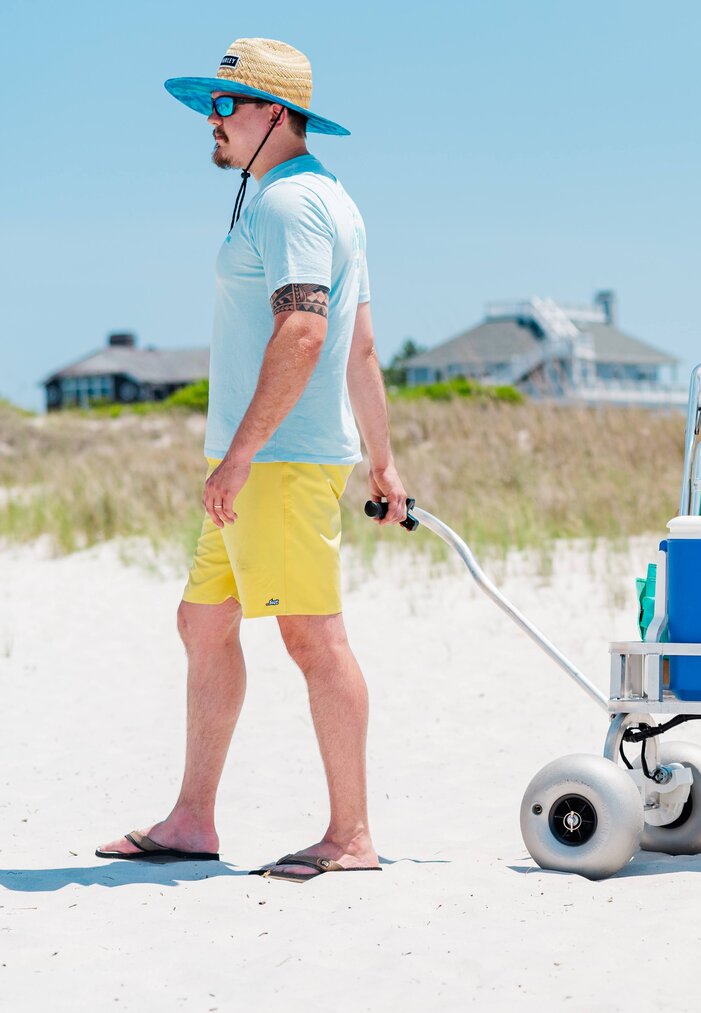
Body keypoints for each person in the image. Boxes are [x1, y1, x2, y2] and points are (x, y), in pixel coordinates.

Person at [96, 38, 410, 883]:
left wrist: (239, 456)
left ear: (277, 112)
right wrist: (384, 462)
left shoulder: (290, 206)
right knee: (203, 621)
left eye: (227, 104)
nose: (213, 119)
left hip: (274, 464)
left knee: (312, 637)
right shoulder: (326, 200)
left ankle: (351, 835)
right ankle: (194, 819)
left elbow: (307, 330)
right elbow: (365, 347)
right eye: (211, 103)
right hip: (266, 462)